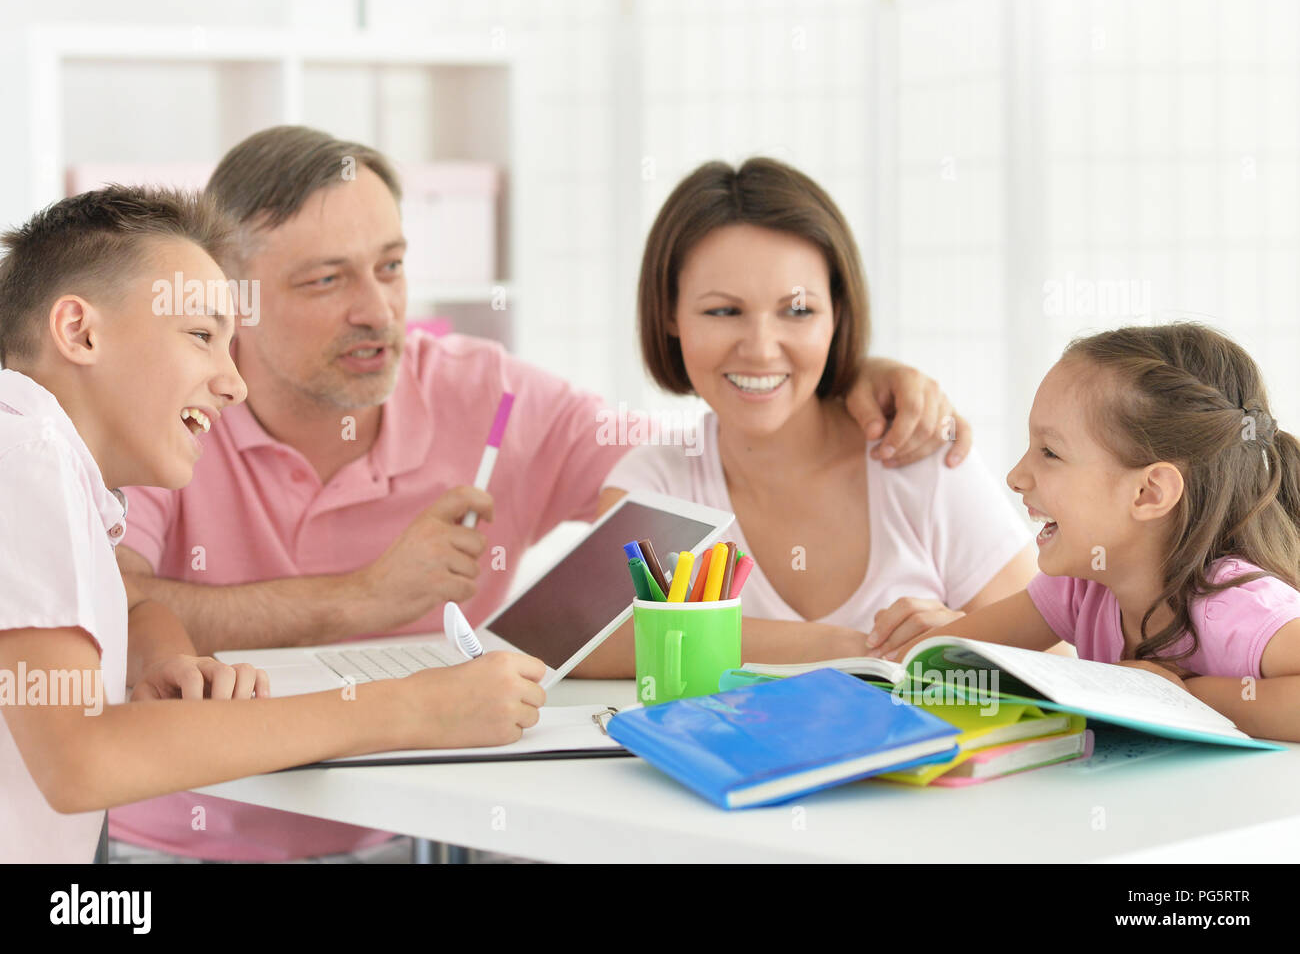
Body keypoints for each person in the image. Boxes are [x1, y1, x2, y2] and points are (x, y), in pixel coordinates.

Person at [110, 127, 972, 860]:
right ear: (233, 298)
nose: (380, 311)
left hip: (426, 832)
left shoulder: (496, 398)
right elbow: (116, 600)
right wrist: (363, 598)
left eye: (393, 266)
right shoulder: (169, 402)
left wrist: (851, 377)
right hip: (201, 835)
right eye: (326, 280)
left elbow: (718, 443)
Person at [0, 187, 546, 863]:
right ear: (80, 331)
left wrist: (166, 660)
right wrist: (414, 707)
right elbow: (80, 760)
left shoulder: (52, 465)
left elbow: (132, 601)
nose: (234, 383)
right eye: (202, 336)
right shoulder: (25, 458)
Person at [578, 158, 1039, 677]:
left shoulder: (920, 459)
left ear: (837, 314)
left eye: (797, 311)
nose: (760, 349)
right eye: (722, 311)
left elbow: (1060, 657)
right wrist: (850, 647)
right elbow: (586, 638)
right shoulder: (658, 483)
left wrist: (963, 640)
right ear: (669, 315)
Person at [877, 323, 1300, 742]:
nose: (1016, 476)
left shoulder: (1232, 603)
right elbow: (925, 666)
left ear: (1148, 492)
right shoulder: (1081, 591)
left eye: (1050, 452)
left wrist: (1185, 694)